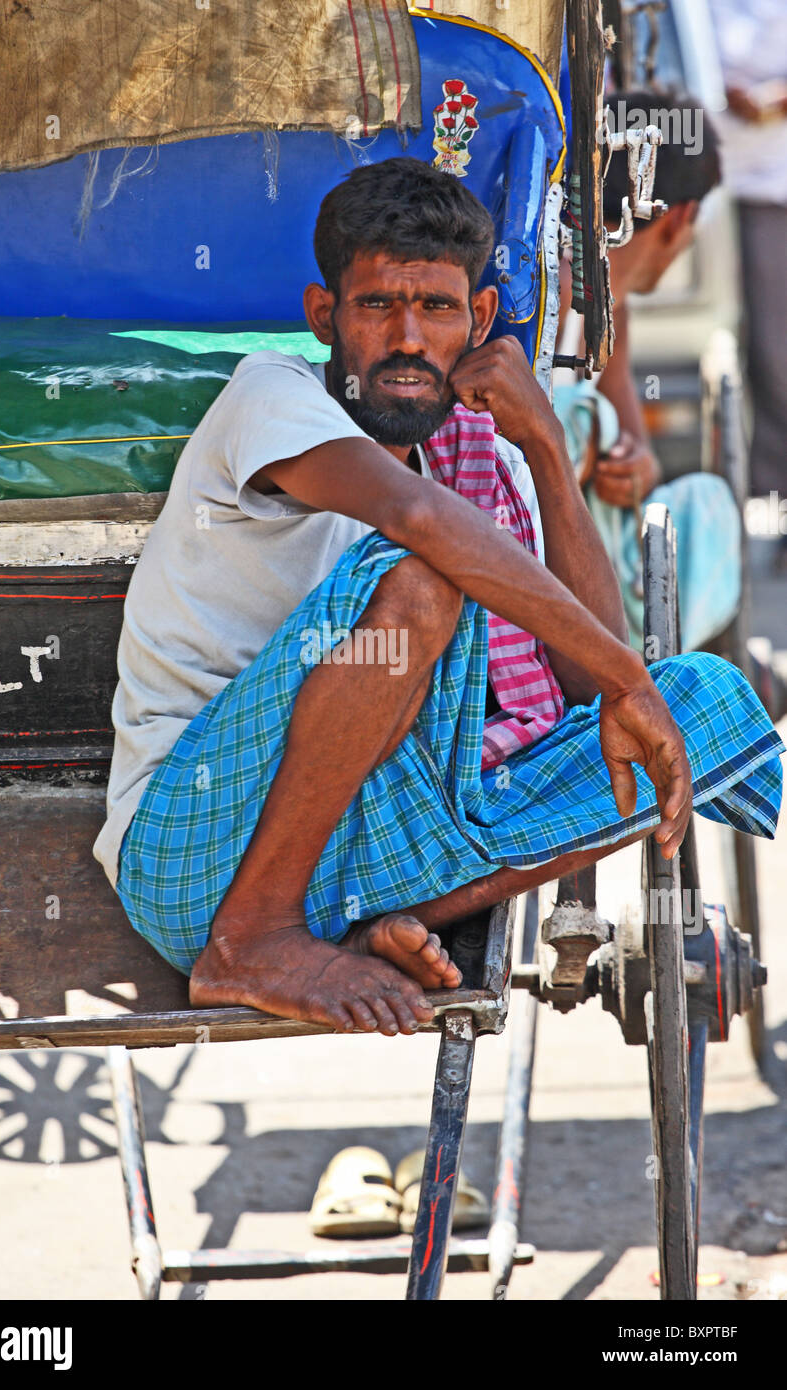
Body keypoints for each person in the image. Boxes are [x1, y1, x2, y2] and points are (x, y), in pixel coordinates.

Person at [93, 157, 783, 1037]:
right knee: (421, 583)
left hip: (356, 848)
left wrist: (541, 445)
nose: (410, 339)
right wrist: (624, 678)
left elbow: (584, 683)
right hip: (193, 846)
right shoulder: (275, 396)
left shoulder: (482, 462)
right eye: (378, 306)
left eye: (438, 309)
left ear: (482, 320)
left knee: (700, 700)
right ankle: (253, 937)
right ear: (325, 317)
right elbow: (417, 519)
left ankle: (351, 928)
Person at [555, 90, 742, 653]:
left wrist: (632, 466)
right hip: (545, 566)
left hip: (577, 561)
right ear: (682, 218)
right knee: (711, 504)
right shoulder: (564, 291)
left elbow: (642, 456)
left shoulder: (613, 306)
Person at [707, 0, 787, 509]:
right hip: (713, 186)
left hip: (775, 185)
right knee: (755, 351)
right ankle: (764, 489)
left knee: (775, 354)